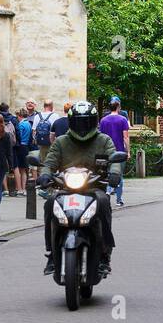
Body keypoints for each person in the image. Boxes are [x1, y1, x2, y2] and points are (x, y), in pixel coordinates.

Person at [40, 101, 121, 278]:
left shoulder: (103, 140)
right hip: (65, 188)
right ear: (71, 122)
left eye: (86, 122)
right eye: (78, 122)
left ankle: (105, 255)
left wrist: (114, 174)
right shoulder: (61, 142)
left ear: (93, 122)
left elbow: (114, 159)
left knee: (104, 202)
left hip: (94, 188)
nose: (82, 126)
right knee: (50, 203)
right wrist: (45, 174)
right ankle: (52, 254)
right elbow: (49, 162)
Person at [98, 98, 130, 206]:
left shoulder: (103, 120)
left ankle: (107, 192)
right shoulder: (122, 120)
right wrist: (128, 151)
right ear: (118, 107)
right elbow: (125, 137)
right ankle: (118, 200)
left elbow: (100, 137)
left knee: (107, 174)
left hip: (106, 151)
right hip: (119, 151)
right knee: (119, 175)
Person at [13, 107, 33, 195]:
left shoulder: (21, 125)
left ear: (20, 116)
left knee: (19, 167)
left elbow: (19, 136)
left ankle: (20, 188)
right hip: (26, 147)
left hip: (21, 146)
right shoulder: (28, 123)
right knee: (24, 169)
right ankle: (24, 188)